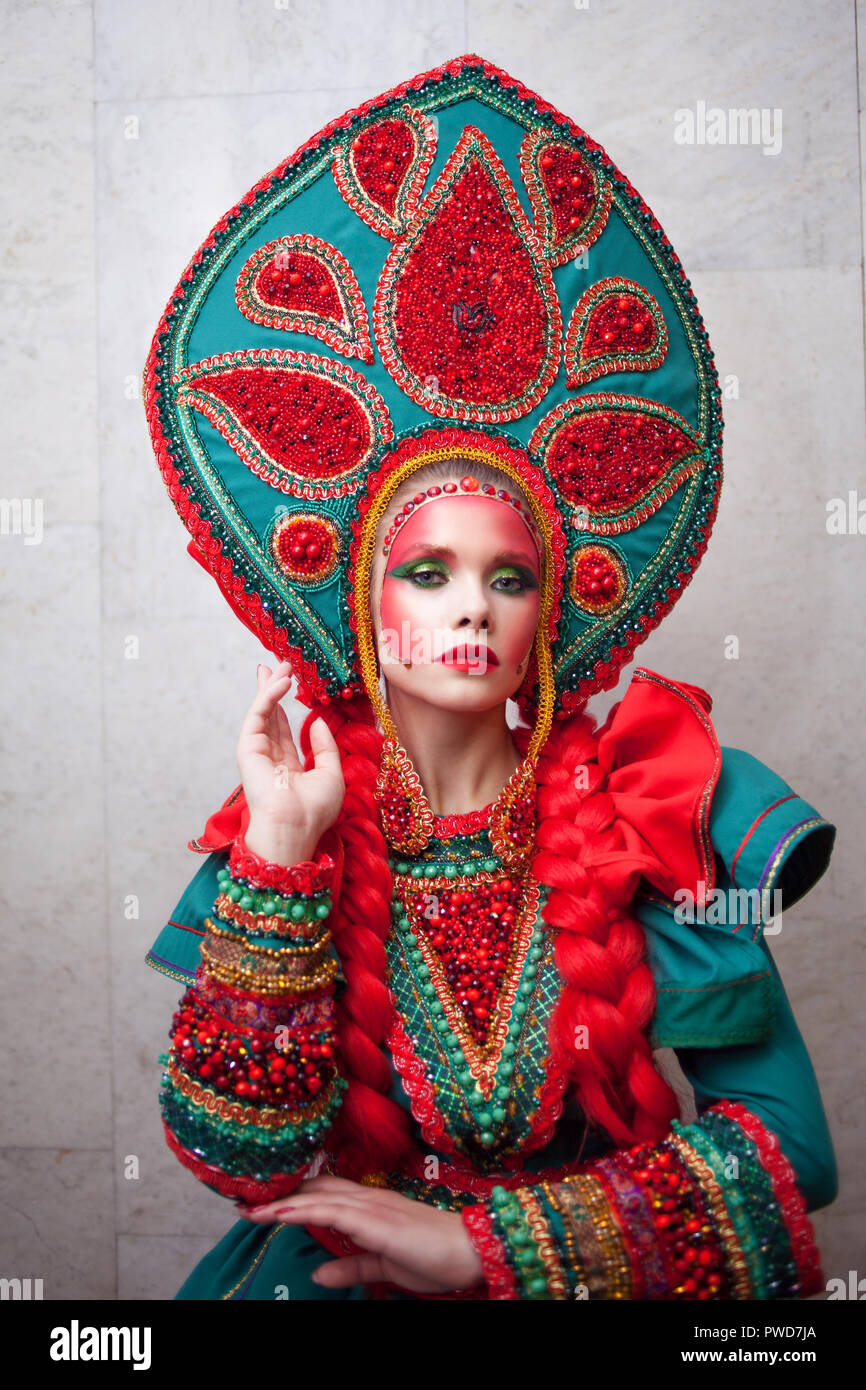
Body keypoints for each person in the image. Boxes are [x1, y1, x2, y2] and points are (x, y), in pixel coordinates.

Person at [143, 54, 838, 1300]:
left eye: (508, 579)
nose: (471, 603)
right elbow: (238, 1157)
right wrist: (283, 863)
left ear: (547, 612)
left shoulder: (662, 805)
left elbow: (792, 1150)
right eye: (427, 575)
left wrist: (488, 1249)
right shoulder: (286, 835)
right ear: (359, 604)